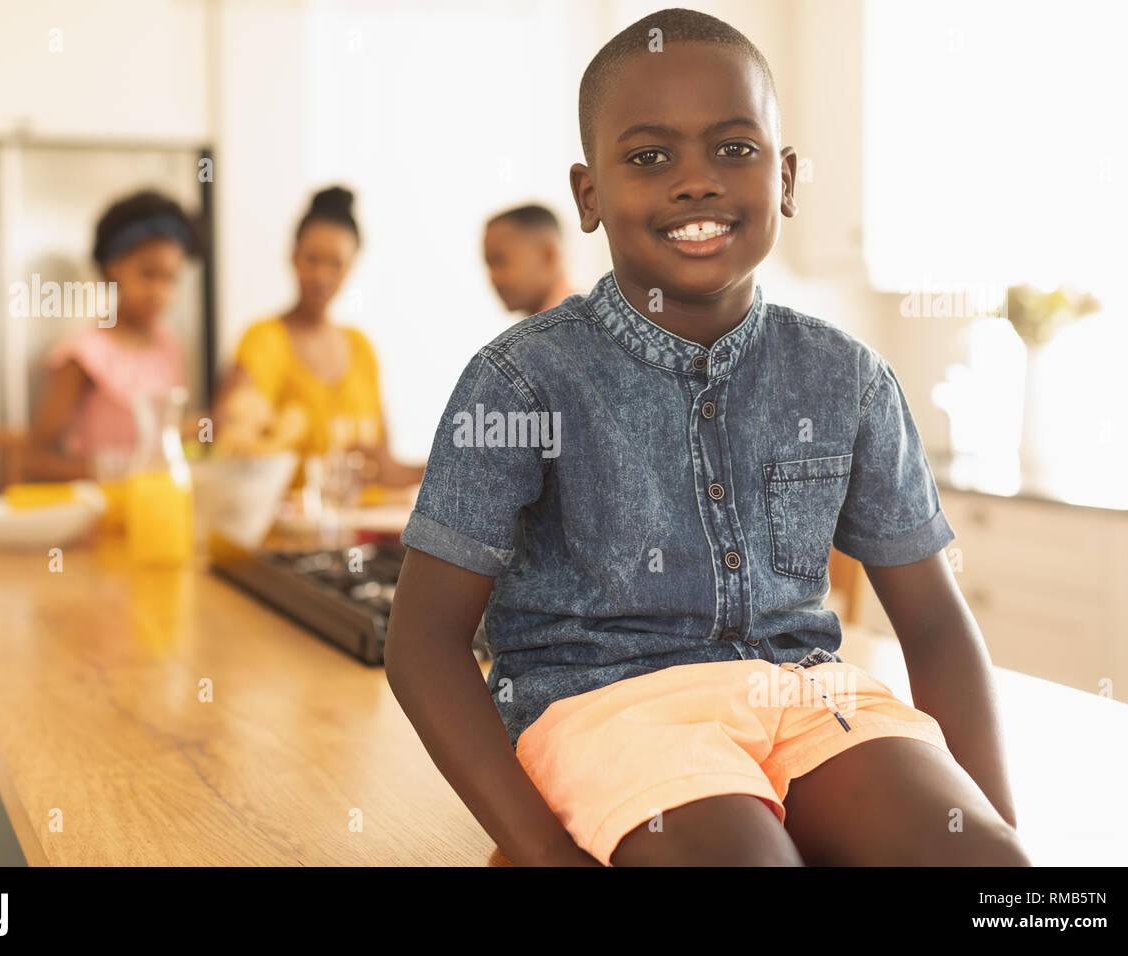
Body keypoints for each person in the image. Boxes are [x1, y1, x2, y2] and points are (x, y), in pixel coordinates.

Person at [385, 8, 1031, 868]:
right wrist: (544, 853)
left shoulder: (850, 377)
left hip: (808, 701)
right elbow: (421, 643)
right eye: (650, 157)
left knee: (997, 883)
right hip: (606, 706)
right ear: (590, 196)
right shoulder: (521, 380)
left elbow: (937, 624)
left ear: (787, 176)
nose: (697, 182)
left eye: (734, 149)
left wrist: (1001, 833)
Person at [216, 186, 422, 487]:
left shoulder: (361, 347)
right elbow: (230, 428)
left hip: (362, 523)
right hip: (289, 528)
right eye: (311, 260)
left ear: (350, 267)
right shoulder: (264, 339)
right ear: (293, 256)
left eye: (335, 264)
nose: (321, 276)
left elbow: (384, 464)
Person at [27, 190, 201, 480]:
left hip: (156, 504)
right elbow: (33, 458)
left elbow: (158, 435)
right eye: (147, 274)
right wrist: (106, 474)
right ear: (114, 268)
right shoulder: (84, 354)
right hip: (100, 512)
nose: (159, 292)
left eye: (170, 278)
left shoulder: (172, 348)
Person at [482, 204, 575, 318]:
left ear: (548, 256)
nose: (493, 278)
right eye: (488, 264)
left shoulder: (576, 328)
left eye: (500, 262)